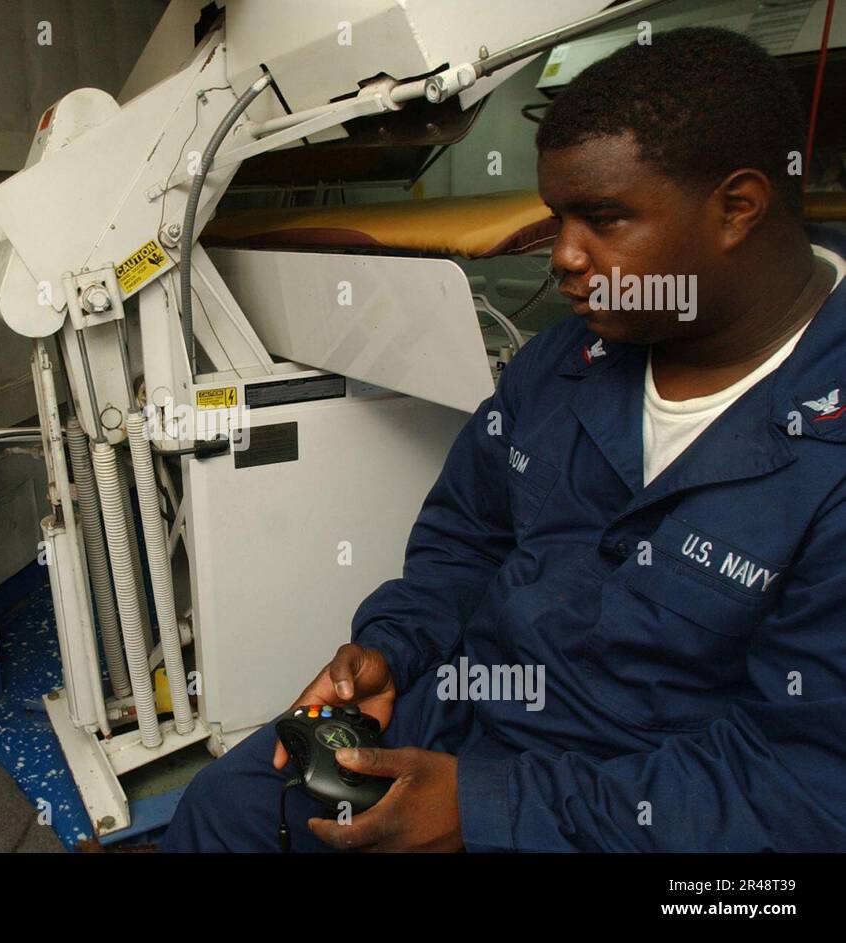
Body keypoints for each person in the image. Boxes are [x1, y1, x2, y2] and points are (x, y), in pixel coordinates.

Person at [162, 27, 846, 852]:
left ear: (737, 208)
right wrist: (391, 648)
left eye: (602, 219)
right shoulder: (567, 361)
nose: (563, 256)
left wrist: (489, 811)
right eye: (558, 218)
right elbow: (465, 542)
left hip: (650, 802)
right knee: (227, 808)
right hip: (475, 707)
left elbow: (805, 785)